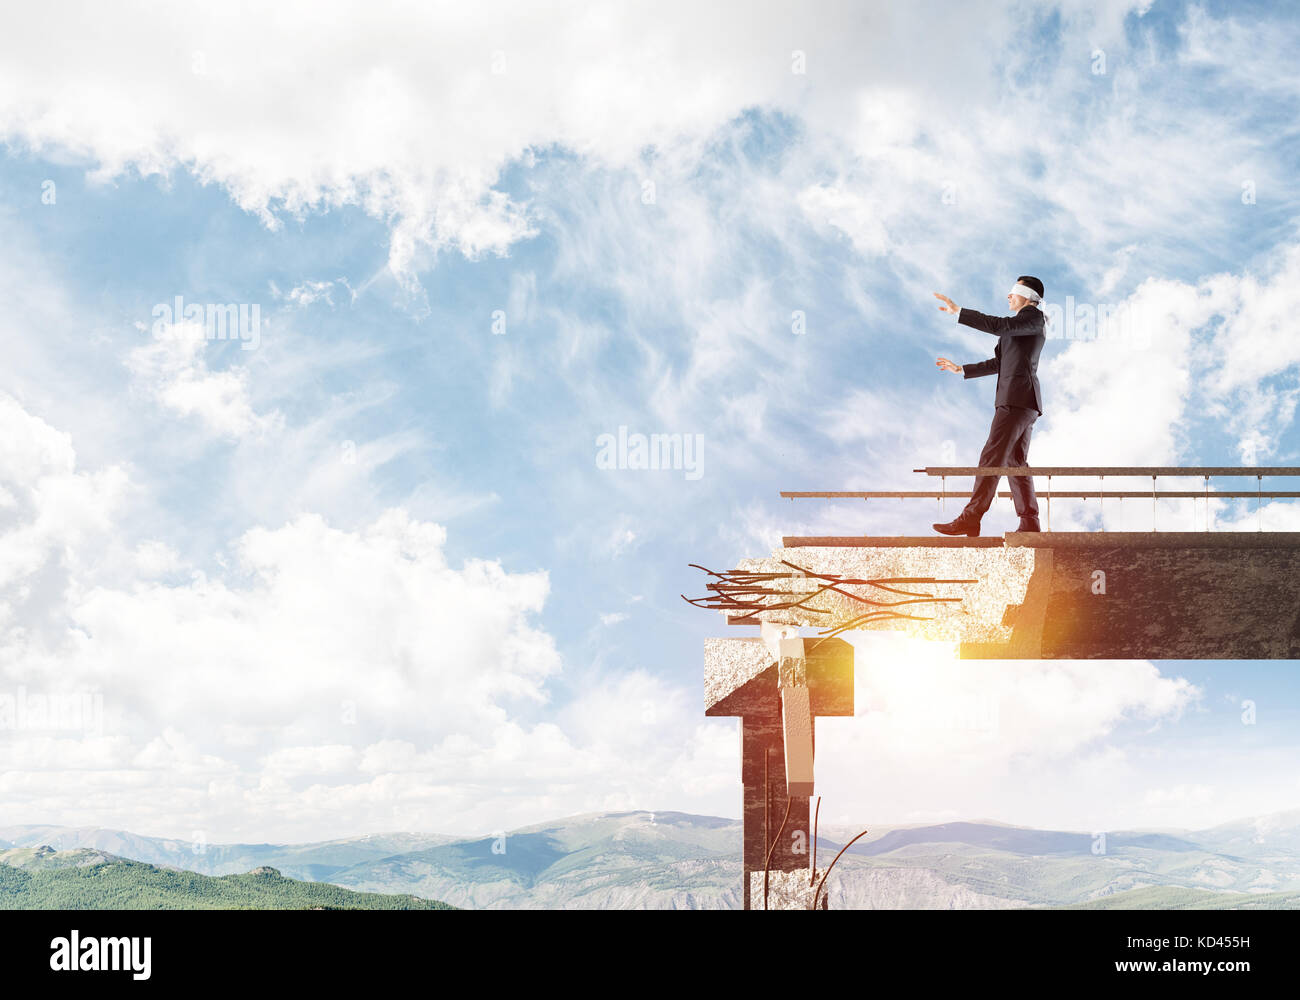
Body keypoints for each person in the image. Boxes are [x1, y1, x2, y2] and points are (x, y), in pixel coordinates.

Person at [930, 276, 1046, 537]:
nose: (1008, 296)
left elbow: (997, 325)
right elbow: (999, 363)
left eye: (1013, 292)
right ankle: (1030, 521)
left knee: (991, 457)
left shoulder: (1032, 318)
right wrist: (963, 369)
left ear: (1027, 296)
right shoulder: (1019, 327)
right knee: (1015, 461)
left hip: (1016, 399)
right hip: (1022, 400)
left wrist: (959, 312)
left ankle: (971, 518)